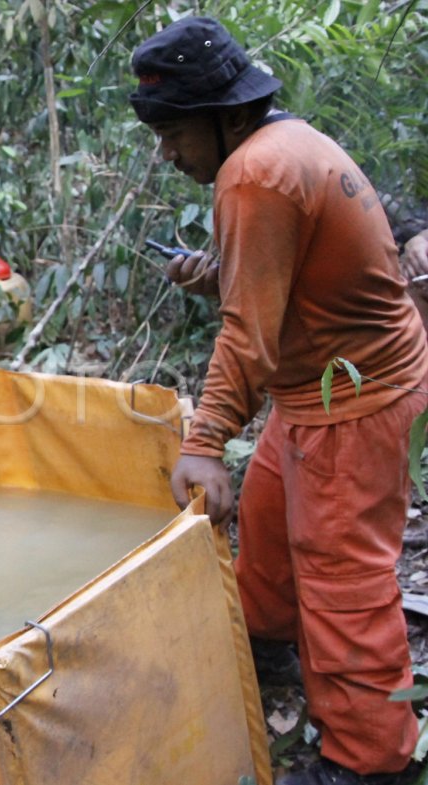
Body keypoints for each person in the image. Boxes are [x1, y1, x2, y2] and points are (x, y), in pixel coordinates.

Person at [129, 18, 428, 785]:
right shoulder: (286, 144)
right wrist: (217, 272)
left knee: (342, 579)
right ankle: (264, 653)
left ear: (226, 117)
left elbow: (247, 335)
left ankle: (370, 760)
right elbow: (285, 282)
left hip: (354, 405)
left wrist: (205, 441)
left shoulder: (254, 173)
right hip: (320, 394)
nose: (166, 153)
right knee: (265, 530)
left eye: (173, 133)